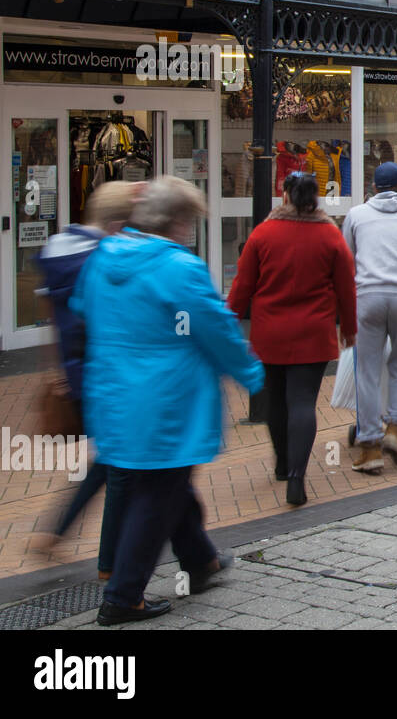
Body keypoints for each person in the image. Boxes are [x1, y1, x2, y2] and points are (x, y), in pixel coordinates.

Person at [73, 177, 264, 626]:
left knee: (164, 483)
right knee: (158, 491)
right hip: (167, 401)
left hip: (115, 396)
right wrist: (251, 373)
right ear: (179, 221)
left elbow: (84, 312)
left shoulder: (103, 258)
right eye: (191, 221)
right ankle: (123, 597)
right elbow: (215, 327)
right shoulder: (178, 267)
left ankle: (200, 561)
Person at [226, 171, 357, 506]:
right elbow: (346, 288)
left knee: (275, 401)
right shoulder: (330, 236)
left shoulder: (263, 233)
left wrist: (228, 322)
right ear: (316, 198)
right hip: (314, 334)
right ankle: (297, 477)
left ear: (284, 195)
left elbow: (242, 286)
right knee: (302, 402)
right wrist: (349, 329)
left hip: (270, 333)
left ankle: (283, 464)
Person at [33, 182, 141, 576]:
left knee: (110, 461)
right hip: (108, 373)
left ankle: (61, 533)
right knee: (118, 465)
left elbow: (51, 318)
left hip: (75, 371)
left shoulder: (57, 247)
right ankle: (109, 563)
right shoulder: (103, 258)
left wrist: (57, 369)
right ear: (116, 223)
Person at [341, 161, 397, 472]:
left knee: (367, 370)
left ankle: (369, 447)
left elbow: (347, 260)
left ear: (373, 188)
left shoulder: (356, 215)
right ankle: (396, 430)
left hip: (367, 295)